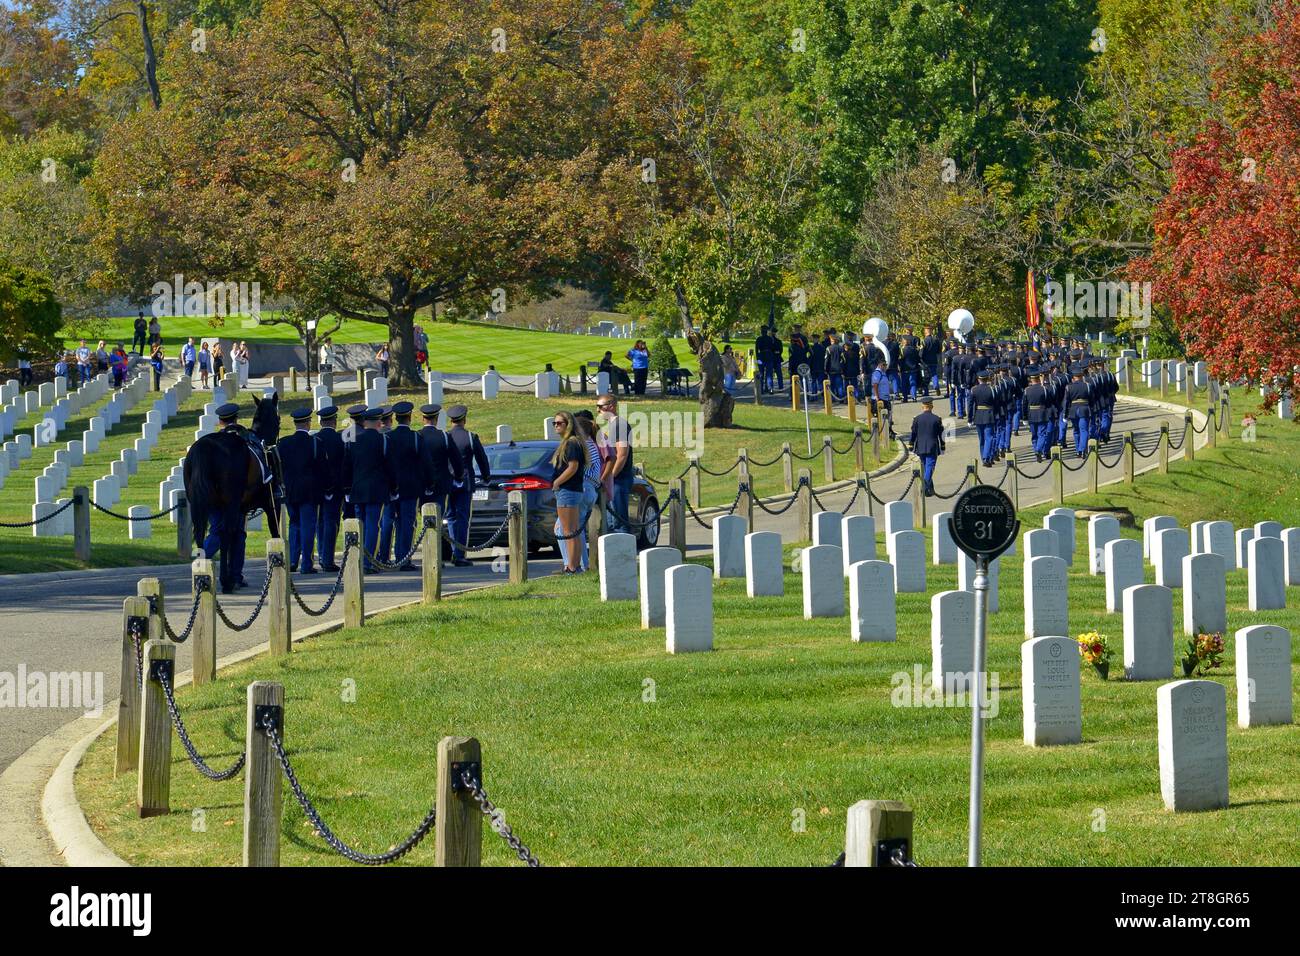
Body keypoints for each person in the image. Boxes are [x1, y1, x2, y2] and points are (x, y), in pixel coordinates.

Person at [204, 403, 251, 592]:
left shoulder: (210, 443)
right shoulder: (241, 443)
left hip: (212, 496)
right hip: (235, 497)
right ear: (236, 419)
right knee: (238, 533)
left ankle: (201, 562)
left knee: (216, 530)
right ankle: (235, 575)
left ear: (219, 421)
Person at [347, 407, 396, 572]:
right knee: (372, 525)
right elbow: (390, 467)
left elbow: (346, 467)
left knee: (360, 525)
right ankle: (368, 562)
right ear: (378, 422)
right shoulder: (383, 440)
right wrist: (393, 487)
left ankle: (359, 559)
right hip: (376, 490)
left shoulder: (354, 440)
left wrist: (347, 488)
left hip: (357, 489)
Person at [445, 404, 491, 567]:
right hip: (465, 482)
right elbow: (481, 458)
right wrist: (486, 477)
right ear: (464, 419)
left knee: (451, 516)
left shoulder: (446, 436)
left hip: (449, 482)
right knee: (463, 518)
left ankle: (454, 550)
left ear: (451, 420)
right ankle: (459, 554)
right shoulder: (470, 437)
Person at [379, 401, 423, 571]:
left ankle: (383, 557)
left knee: (387, 522)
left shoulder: (387, 438)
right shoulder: (415, 437)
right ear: (410, 418)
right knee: (407, 523)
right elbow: (424, 462)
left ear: (395, 418)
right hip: (410, 487)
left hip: (390, 486)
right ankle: (403, 558)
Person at [277, 407, 319, 573]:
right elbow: (321, 468)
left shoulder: (284, 443)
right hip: (309, 491)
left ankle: (293, 561)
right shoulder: (315, 442)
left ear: (295, 424)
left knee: (295, 525)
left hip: (291, 490)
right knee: (308, 527)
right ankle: (307, 564)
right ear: (308, 423)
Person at [417, 403, 461, 561]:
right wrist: (459, 476)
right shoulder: (443, 436)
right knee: (438, 520)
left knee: (425, 520)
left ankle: (429, 555)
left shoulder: (418, 435)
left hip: (422, 485)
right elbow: (456, 460)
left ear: (423, 418)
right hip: (441, 484)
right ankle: (435, 555)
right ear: (436, 419)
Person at [550, 410, 589, 574]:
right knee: (572, 530)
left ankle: (572, 566)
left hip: (568, 490)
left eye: (560, 423)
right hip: (572, 490)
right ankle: (574, 565)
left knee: (568, 531)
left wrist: (557, 482)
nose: (556, 426)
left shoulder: (571, 443)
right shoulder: (572, 442)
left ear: (569, 424)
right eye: (555, 423)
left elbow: (573, 467)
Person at [314, 405, 347, 571]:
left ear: (320, 422)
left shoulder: (315, 439)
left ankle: (322, 555)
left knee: (321, 522)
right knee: (331, 522)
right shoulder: (341, 439)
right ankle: (327, 559)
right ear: (334, 421)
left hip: (318, 486)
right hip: (335, 487)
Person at [574, 410, 606, 571]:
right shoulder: (592, 444)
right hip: (590, 488)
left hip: (584, 487)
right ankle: (581, 564)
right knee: (576, 528)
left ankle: (577, 565)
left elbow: (579, 469)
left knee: (572, 528)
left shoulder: (584, 445)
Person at [597, 393, 634, 533]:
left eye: (600, 406)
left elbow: (622, 455)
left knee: (619, 521)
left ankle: (624, 552)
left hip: (619, 480)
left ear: (611, 406)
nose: (598, 410)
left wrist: (610, 478)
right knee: (612, 522)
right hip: (615, 480)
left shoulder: (620, 425)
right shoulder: (613, 425)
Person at [908, 397, 946, 496]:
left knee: (925, 467)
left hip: (920, 447)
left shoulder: (917, 419)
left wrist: (911, 444)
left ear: (922, 407)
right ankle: (925, 486)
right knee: (929, 467)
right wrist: (942, 445)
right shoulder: (937, 419)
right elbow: (941, 434)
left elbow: (913, 433)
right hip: (932, 446)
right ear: (932, 406)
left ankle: (930, 489)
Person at [968, 368, 998, 467]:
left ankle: (984, 458)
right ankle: (986, 458)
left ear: (978, 379)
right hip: (989, 414)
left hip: (978, 415)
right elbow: (996, 403)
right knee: (988, 438)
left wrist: (970, 419)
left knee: (982, 439)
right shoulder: (992, 389)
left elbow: (970, 405)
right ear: (987, 379)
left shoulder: (974, 389)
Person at [1021, 368, 1052, 462]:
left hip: (1031, 414)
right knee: (1041, 434)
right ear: (1039, 378)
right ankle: (1038, 450)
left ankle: (1036, 450)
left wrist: (1024, 417)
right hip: (1042, 413)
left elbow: (1024, 405)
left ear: (1031, 379)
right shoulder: (1044, 389)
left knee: (1034, 435)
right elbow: (1048, 402)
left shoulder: (1027, 390)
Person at [1064, 364, 1093, 457]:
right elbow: (1092, 399)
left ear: (1073, 377)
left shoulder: (1069, 387)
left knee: (1076, 430)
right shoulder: (1088, 386)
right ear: (1082, 376)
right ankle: (1082, 450)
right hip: (1084, 409)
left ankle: (1078, 450)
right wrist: (1092, 410)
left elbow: (1066, 402)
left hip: (1073, 410)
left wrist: (1065, 414)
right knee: (1084, 430)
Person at [870, 357, 896, 439]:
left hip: (885, 398)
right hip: (880, 399)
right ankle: (882, 434)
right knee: (882, 417)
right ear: (880, 365)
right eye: (884, 365)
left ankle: (888, 432)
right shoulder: (877, 373)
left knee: (887, 417)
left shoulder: (883, 373)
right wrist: (877, 397)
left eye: (886, 365)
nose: (885, 367)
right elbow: (875, 385)